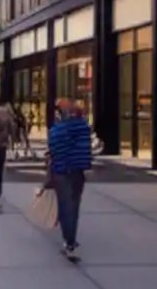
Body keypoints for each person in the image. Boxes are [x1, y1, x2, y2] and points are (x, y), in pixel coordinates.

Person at [46, 97, 92, 260]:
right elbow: (87, 149)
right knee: (74, 205)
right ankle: (71, 239)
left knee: (65, 208)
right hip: (78, 171)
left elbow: (53, 149)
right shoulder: (84, 128)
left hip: (61, 171)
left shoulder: (56, 131)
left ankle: (69, 241)